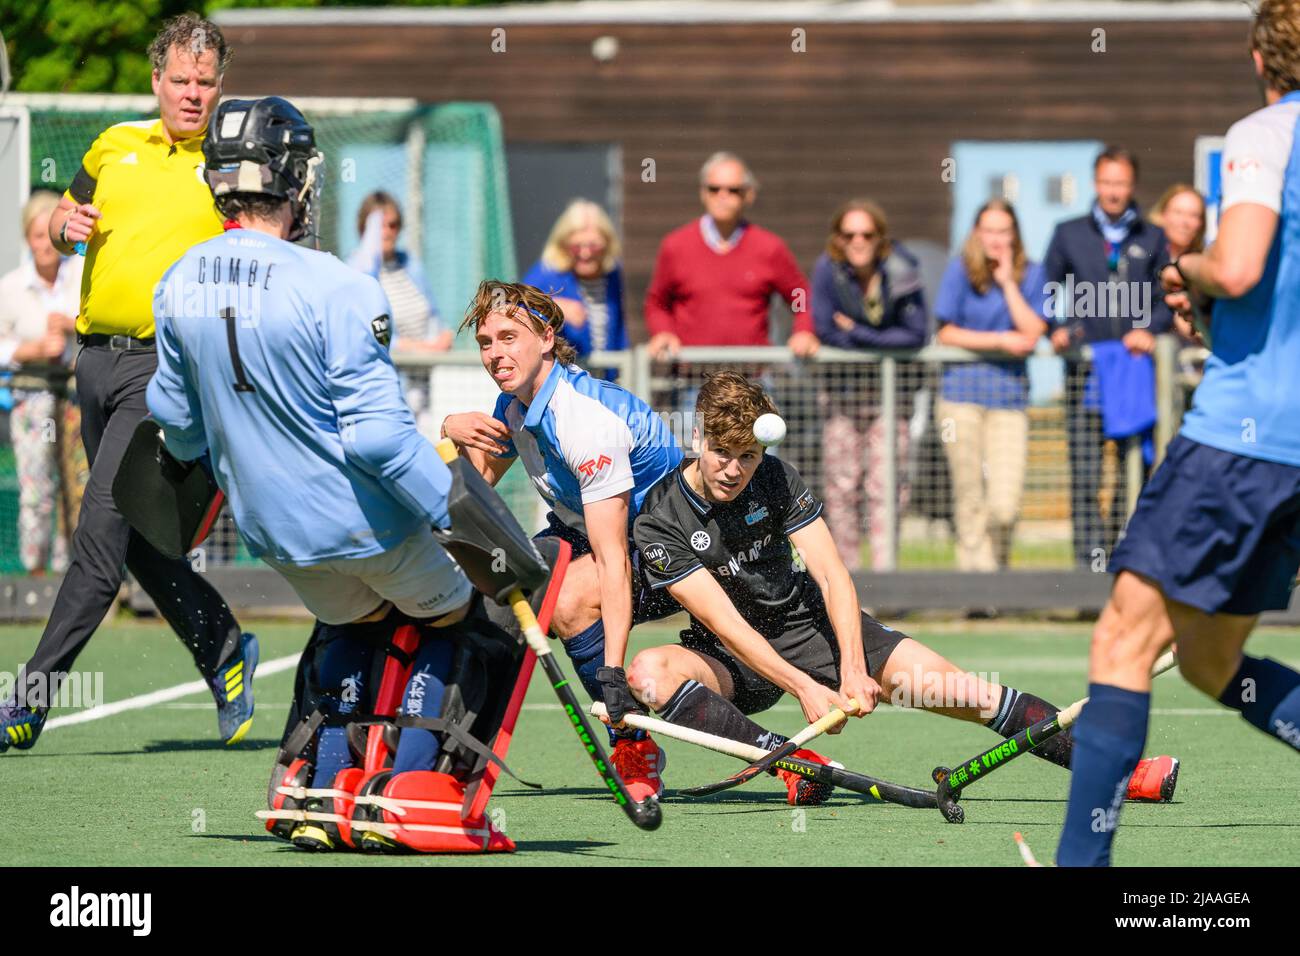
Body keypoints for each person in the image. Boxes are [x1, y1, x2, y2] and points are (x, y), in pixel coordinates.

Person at [148, 96, 494, 854]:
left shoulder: (175, 282)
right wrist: (468, 522)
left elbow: (174, 424)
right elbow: (375, 439)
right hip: (360, 521)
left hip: (272, 534)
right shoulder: (338, 284)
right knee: (458, 614)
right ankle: (402, 792)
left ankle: (318, 782)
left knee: (355, 620)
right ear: (293, 179)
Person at [621, 372, 1178, 805]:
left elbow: (833, 575)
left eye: (748, 455)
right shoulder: (660, 518)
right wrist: (804, 689)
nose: (733, 470)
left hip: (810, 628)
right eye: (722, 452)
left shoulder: (776, 477)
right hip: (731, 658)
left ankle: (1120, 776)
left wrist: (854, 668)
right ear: (696, 436)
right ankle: (796, 764)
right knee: (649, 673)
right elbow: (726, 623)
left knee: (971, 694)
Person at [1058, 0, 1300, 865]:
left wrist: (1185, 271)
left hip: (1247, 435)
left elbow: (1235, 267)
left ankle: (1082, 865)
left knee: (1121, 640)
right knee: (1207, 661)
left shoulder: (1268, 133)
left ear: (1260, 56)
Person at [1, 15, 256, 754]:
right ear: (156, 80)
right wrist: (60, 224)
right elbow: (58, 223)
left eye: (206, 82)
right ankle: (224, 645)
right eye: (180, 80)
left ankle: (27, 702)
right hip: (92, 363)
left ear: (219, 86)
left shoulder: (231, 165)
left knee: (97, 538)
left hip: (165, 368)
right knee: (138, 532)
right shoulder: (114, 145)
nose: (193, 93)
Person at [440, 280, 682, 800]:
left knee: (567, 600)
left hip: (672, 542)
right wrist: (447, 431)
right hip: (586, 530)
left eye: (509, 337)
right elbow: (462, 499)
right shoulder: (512, 407)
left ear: (547, 338)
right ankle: (452, 753)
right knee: (485, 585)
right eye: (485, 342)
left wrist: (613, 667)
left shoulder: (582, 419)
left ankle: (633, 743)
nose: (495, 353)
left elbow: (614, 556)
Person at [1043, 146, 1172, 568]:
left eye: (1121, 183)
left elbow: (1169, 297)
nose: (1113, 192)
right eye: (1106, 182)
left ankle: (1125, 562)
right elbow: (1047, 290)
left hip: (1136, 372)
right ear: (1095, 183)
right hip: (1085, 371)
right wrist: (1056, 329)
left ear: (1132, 185)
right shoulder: (1068, 233)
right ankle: (1087, 569)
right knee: (1085, 471)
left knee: (1135, 469)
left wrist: (1149, 329)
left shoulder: (1152, 237)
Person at [811, 198, 928, 571]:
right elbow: (826, 330)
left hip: (892, 400)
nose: (858, 241)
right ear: (838, 239)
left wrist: (859, 332)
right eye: (849, 234)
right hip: (842, 398)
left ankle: (885, 577)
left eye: (867, 234)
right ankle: (847, 583)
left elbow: (915, 335)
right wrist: (878, 339)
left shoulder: (903, 268)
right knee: (841, 488)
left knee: (887, 488)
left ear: (880, 237)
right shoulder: (827, 271)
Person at [933, 199, 1047, 571]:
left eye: (1003, 231)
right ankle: (975, 588)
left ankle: (998, 577)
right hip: (959, 399)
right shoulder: (959, 271)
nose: (996, 239)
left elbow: (1033, 331)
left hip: (1009, 401)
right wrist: (999, 340)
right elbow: (945, 331)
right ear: (976, 233)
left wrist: (1007, 284)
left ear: (1014, 234)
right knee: (970, 496)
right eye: (989, 230)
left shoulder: (1032, 273)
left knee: (1004, 504)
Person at [644, 152, 819, 360]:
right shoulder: (676, 246)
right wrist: (663, 331)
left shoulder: (769, 248)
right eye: (714, 189)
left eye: (733, 190)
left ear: (749, 195)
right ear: (703, 193)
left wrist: (803, 330)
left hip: (751, 380)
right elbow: (657, 302)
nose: (722, 195)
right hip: (694, 379)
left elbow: (800, 295)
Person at [0, 190, 82, 574]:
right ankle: (36, 574)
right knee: (36, 491)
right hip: (31, 400)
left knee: (78, 489)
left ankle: (74, 576)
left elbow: (103, 328)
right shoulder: (11, 288)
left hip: (77, 400)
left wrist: (72, 326)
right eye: (36, 236)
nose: (44, 246)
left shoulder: (82, 277)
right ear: (27, 240)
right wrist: (29, 349)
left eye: (49, 236)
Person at [349, 191, 452, 428]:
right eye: (379, 225)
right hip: (389, 389)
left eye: (393, 225)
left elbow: (433, 314)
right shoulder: (355, 270)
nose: (387, 232)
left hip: (428, 386)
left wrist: (444, 336)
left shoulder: (410, 264)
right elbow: (366, 333)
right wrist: (418, 349)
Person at [522, 199, 627, 360]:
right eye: (577, 246)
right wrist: (553, 305)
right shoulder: (547, 272)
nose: (585, 254)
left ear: (607, 243)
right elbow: (515, 308)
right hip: (564, 376)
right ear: (563, 244)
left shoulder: (613, 274)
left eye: (593, 246)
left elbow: (618, 331)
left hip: (603, 378)